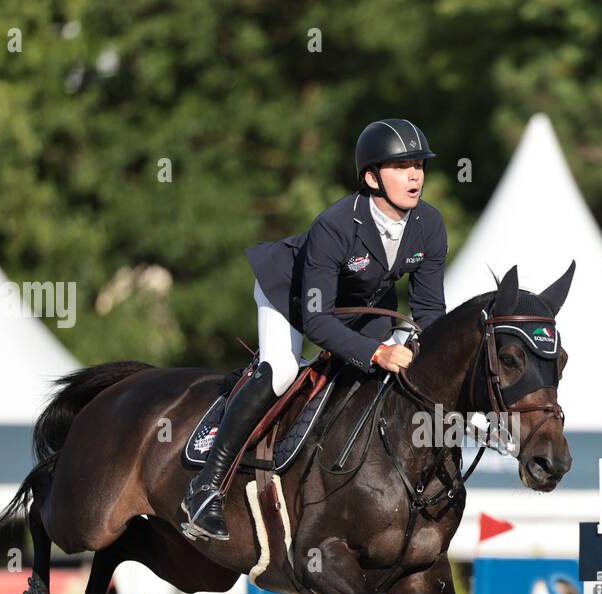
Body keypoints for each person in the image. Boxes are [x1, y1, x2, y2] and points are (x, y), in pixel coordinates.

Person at [181, 119, 450, 542]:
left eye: (418, 165)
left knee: (383, 376)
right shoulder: (336, 225)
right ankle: (206, 488)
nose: (415, 175)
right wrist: (377, 352)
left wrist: (425, 356)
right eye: (401, 167)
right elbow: (318, 321)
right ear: (371, 178)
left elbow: (430, 311)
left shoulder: (429, 225)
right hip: (292, 295)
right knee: (283, 370)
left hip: (361, 301)